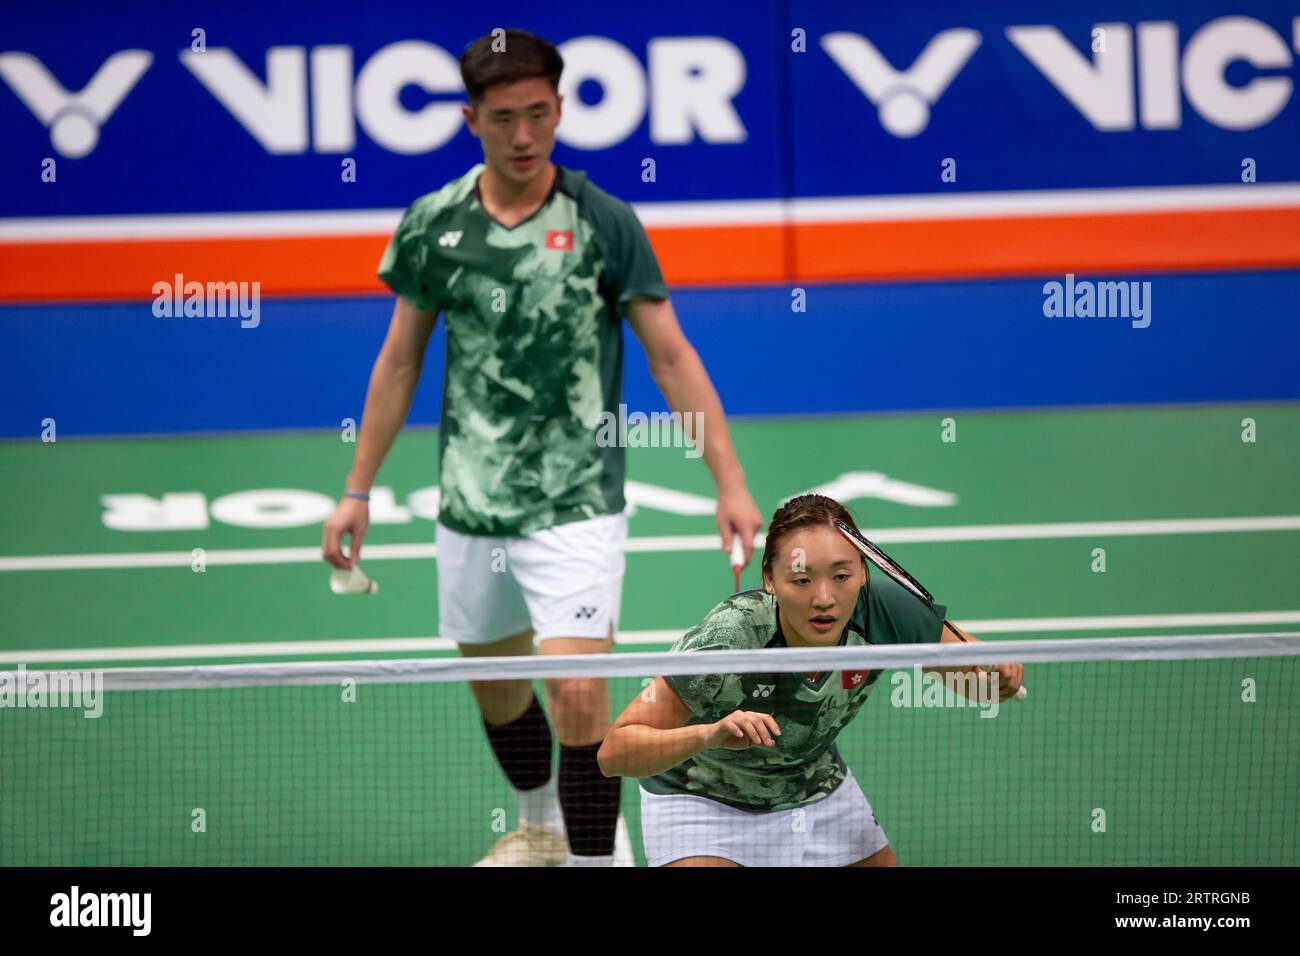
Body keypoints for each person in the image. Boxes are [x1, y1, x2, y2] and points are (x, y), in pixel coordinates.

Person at [321, 29, 763, 867]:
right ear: (470, 119)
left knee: (578, 694)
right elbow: (400, 358)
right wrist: (357, 489)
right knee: (496, 693)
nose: (524, 137)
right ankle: (542, 829)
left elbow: (669, 353)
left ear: (560, 110)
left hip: (577, 501)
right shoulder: (435, 225)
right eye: (503, 119)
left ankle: (595, 858)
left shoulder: (602, 221)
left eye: (538, 115)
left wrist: (728, 481)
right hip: (470, 504)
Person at [598, 494, 1024, 867]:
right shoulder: (728, 638)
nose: (824, 598)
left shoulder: (881, 609)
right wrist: (709, 735)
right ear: (770, 580)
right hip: (702, 797)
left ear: (863, 572)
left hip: (814, 788)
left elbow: (975, 678)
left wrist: (995, 679)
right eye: (802, 580)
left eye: (841, 576)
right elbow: (614, 753)